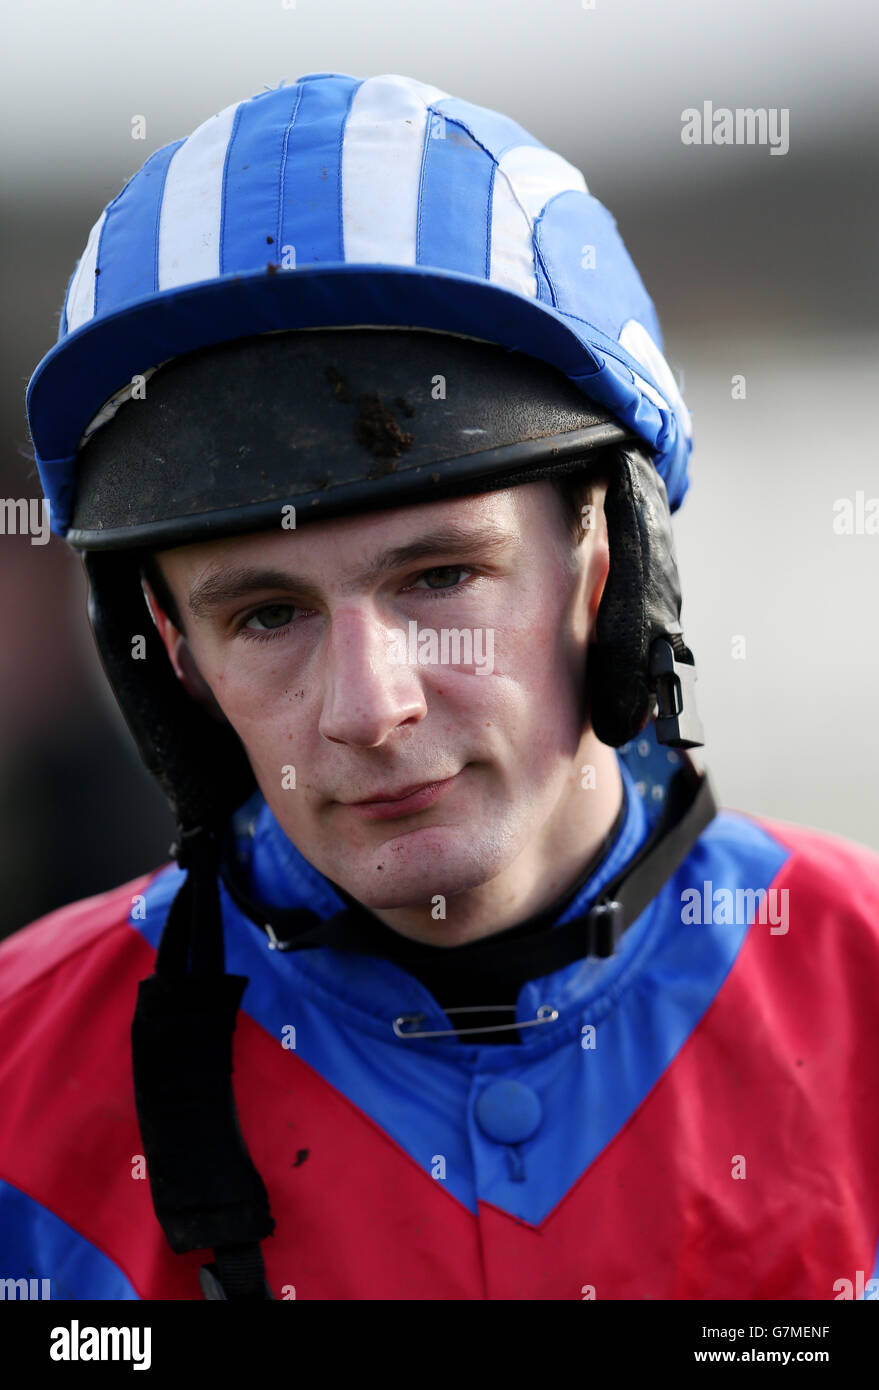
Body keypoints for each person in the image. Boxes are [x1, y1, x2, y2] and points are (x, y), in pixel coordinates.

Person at [2, 71, 878, 1303]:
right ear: (169, 652)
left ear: (606, 563)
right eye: (267, 614)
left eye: (441, 577)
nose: (368, 709)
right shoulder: (15, 1099)